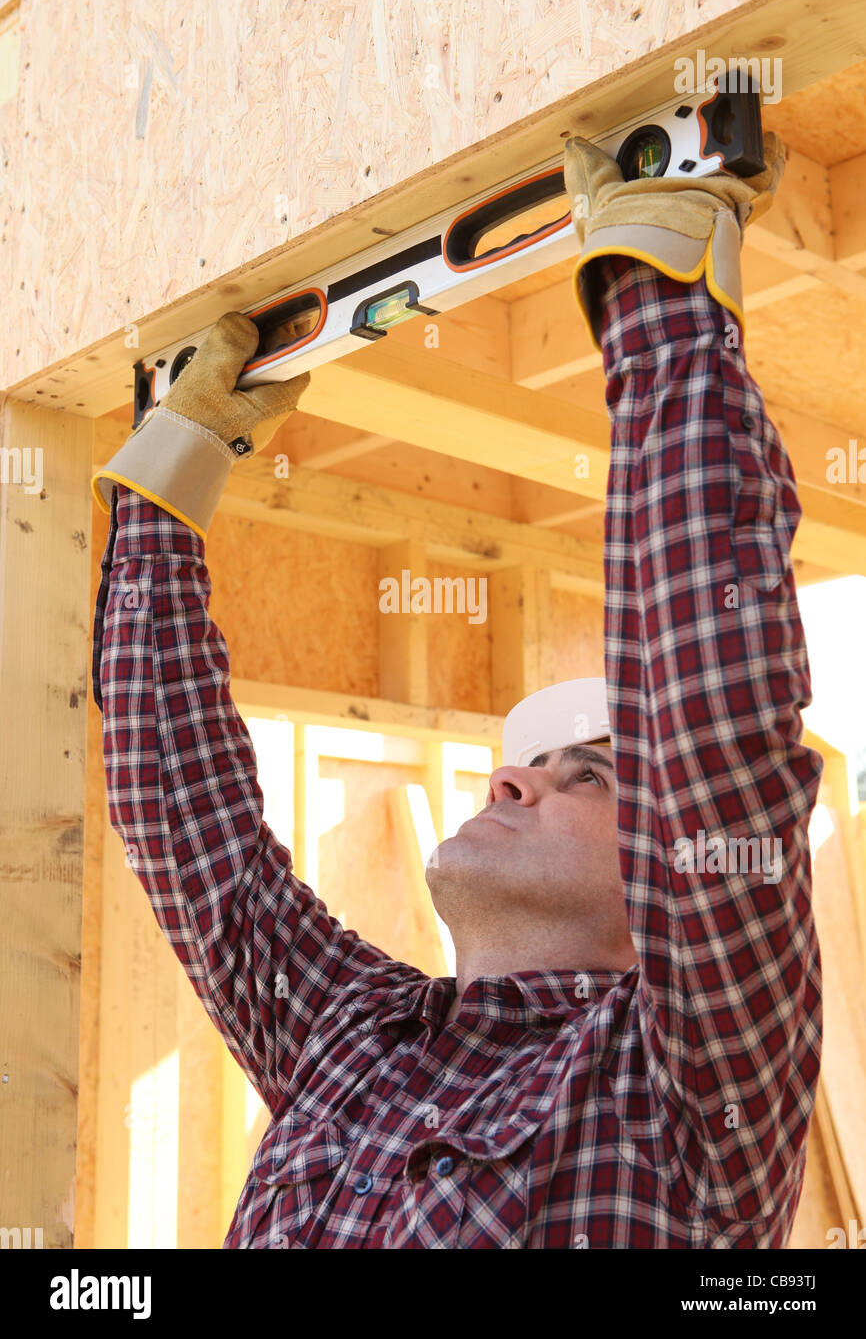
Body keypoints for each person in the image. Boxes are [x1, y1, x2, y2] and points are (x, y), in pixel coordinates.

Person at [91, 131, 822, 1248]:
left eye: (588, 776)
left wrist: (658, 296)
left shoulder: (683, 1086)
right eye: (532, 759)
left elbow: (711, 732)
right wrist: (169, 470)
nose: (515, 779)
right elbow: (192, 837)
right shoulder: (349, 1033)